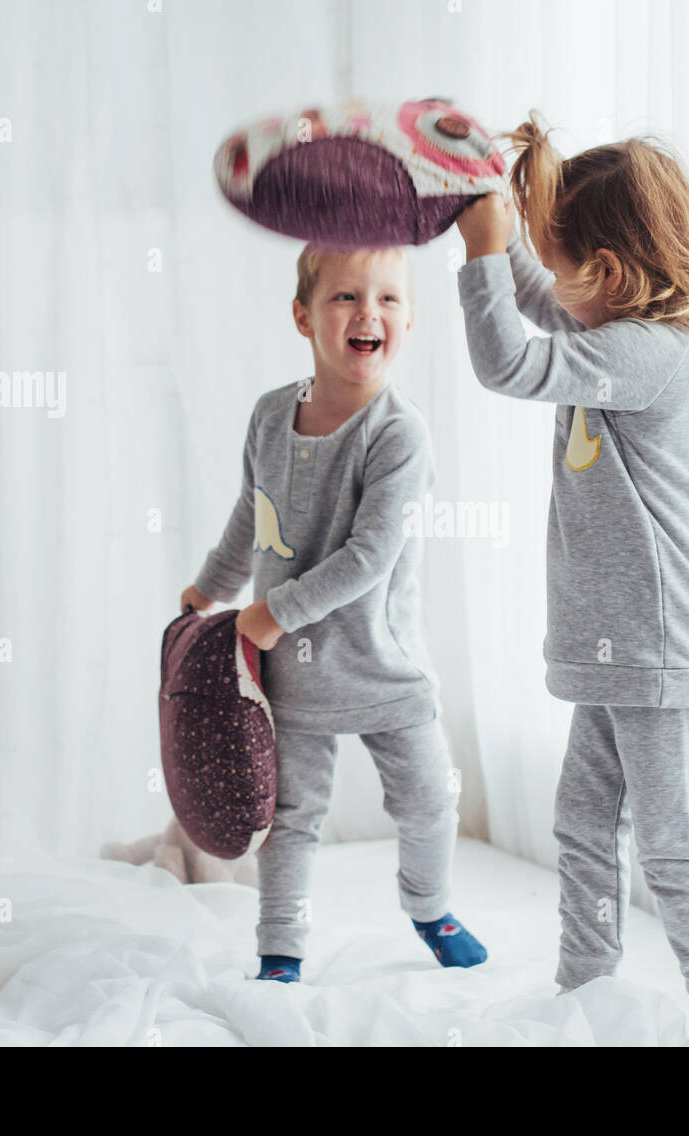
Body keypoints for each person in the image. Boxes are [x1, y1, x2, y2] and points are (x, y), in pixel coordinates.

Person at [454, 110, 689, 1044]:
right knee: (583, 822)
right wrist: (499, 230)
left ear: (610, 275)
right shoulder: (611, 327)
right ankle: (588, 995)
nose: (547, 278)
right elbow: (541, 302)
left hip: (670, 648)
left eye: (558, 257)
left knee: (676, 844)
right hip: (622, 647)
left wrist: (484, 254)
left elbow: (507, 358)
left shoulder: (645, 353)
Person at [183, 241, 486, 983]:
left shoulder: (397, 435)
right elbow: (250, 517)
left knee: (427, 801)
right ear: (303, 317)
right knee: (289, 821)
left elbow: (369, 556)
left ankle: (429, 907)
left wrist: (270, 614)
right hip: (292, 681)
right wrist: (209, 591)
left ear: (409, 322)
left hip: (386, 673)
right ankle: (280, 950)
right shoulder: (267, 417)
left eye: (387, 298)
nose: (368, 312)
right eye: (346, 297)